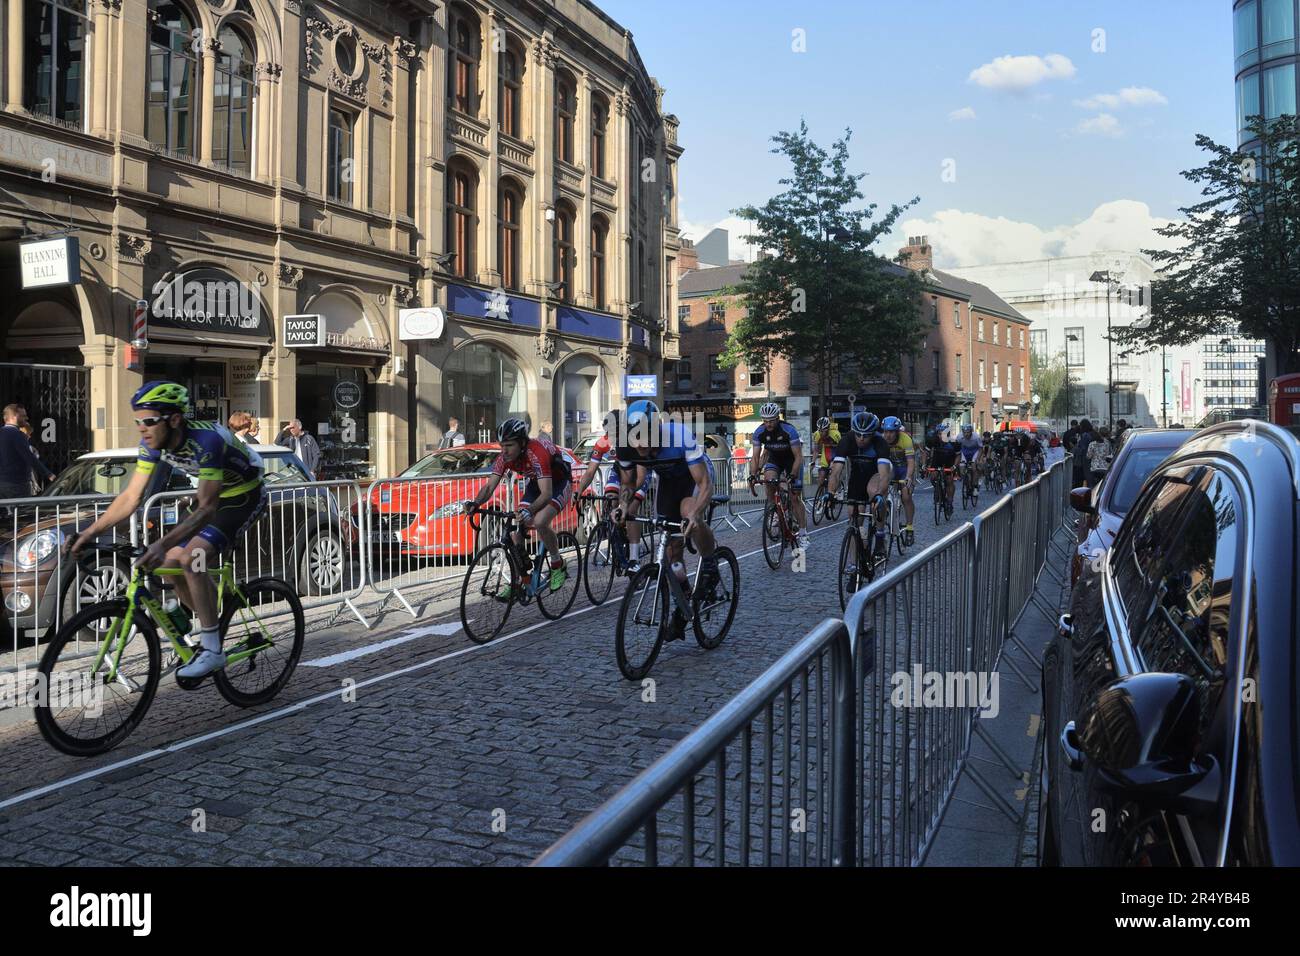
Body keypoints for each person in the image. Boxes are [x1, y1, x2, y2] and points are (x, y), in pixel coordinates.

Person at [67, 382, 266, 678]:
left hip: (244, 496)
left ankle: (212, 650)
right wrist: (88, 533)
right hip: (211, 495)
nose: (142, 429)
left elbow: (207, 508)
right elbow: (130, 497)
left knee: (190, 558)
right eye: (138, 421)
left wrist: (159, 544)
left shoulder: (207, 440)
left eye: (148, 421)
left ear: (173, 420)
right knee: (169, 564)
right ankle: (207, 615)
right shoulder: (151, 444)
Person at [613, 400, 718, 642]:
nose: (638, 444)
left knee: (687, 510)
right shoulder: (626, 446)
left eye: (644, 437)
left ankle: (710, 563)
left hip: (695, 478)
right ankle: (683, 605)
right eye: (634, 437)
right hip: (669, 483)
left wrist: (695, 515)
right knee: (671, 552)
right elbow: (629, 483)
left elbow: (704, 484)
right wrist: (622, 506)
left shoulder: (679, 436)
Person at [462, 418, 573, 597]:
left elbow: (546, 493)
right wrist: (476, 503)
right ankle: (521, 580)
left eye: (509, 445)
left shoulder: (536, 453)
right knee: (515, 532)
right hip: (537, 483)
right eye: (502, 445)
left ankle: (557, 564)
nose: (504, 450)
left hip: (559, 483)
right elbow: (489, 487)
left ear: (522, 443)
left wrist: (529, 510)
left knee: (540, 520)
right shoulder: (504, 457)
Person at [574, 410, 651, 572]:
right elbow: (590, 472)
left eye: (615, 432)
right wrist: (579, 491)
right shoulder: (603, 442)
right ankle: (618, 533)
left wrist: (627, 500)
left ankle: (634, 558)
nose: (612, 436)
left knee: (630, 510)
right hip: (619, 469)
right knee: (610, 499)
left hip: (640, 470)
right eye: (609, 432)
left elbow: (639, 477)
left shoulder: (633, 440)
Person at [826, 412, 893, 564]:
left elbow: (884, 475)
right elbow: (836, 472)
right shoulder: (847, 440)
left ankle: (880, 536)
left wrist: (879, 495)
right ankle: (854, 564)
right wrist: (830, 492)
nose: (861, 439)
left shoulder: (880, 443)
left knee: (874, 493)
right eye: (858, 434)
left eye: (866, 435)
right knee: (854, 517)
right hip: (857, 477)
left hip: (876, 474)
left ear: (873, 433)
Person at [747, 402, 810, 552]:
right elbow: (756, 457)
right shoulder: (759, 432)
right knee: (769, 480)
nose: (768, 424)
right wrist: (753, 474)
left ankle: (803, 533)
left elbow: (798, 457)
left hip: (792, 460)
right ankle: (775, 508)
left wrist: (793, 474)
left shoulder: (789, 430)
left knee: (795, 497)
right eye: (765, 420)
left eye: (771, 420)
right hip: (775, 459)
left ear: (777, 418)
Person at [0, 404, 54, 500]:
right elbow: (30, 457)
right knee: (21, 513)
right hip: (17, 484)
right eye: (23, 416)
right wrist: (48, 474)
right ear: (15, 416)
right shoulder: (17, 435)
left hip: (2, 484)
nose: (26, 418)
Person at [880, 416, 916, 542]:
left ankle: (910, 527)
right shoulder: (881, 440)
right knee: (881, 492)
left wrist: (908, 477)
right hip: (891, 469)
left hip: (905, 469)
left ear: (897, 432)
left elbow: (911, 462)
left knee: (906, 496)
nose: (888, 435)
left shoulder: (905, 439)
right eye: (885, 432)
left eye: (891, 432)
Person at [924, 421, 962, 513]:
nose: (941, 436)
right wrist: (924, 464)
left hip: (950, 460)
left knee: (949, 480)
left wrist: (954, 466)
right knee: (933, 477)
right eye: (940, 434)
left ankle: (949, 502)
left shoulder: (954, 442)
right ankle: (938, 491)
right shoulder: (933, 440)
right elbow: (925, 453)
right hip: (937, 459)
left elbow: (958, 456)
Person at [811, 416, 842, 491]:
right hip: (825, 455)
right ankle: (820, 498)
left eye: (823, 430)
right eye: (819, 430)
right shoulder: (816, 434)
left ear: (828, 429)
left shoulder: (835, 434)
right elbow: (816, 450)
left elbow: (841, 449)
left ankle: (835, 492)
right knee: (821, 477)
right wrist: (813, 461)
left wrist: (836, 462)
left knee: (833, 475)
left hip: (836, 454)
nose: (821, 433)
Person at [956, 423, 983, 501]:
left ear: (971, 432)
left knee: (974, 468)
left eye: (968, 432)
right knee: (962, 469)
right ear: (962, 432)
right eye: (965, 432)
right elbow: (957, 448)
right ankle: (966, 482)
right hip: (964, 452)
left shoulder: (976, 437)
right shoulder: (959, 437)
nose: (966, 434)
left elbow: (981, 449)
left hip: (974, 451)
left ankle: (974, 487)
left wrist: (977, 459)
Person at [1072, 419, 1095, 488]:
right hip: (1092, 459)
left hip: (1085, 459)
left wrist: (1075, 449)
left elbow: (1082, 448)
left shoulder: (1085, 435)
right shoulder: (1093, 433)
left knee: (1087, 478)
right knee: (1090, 479)